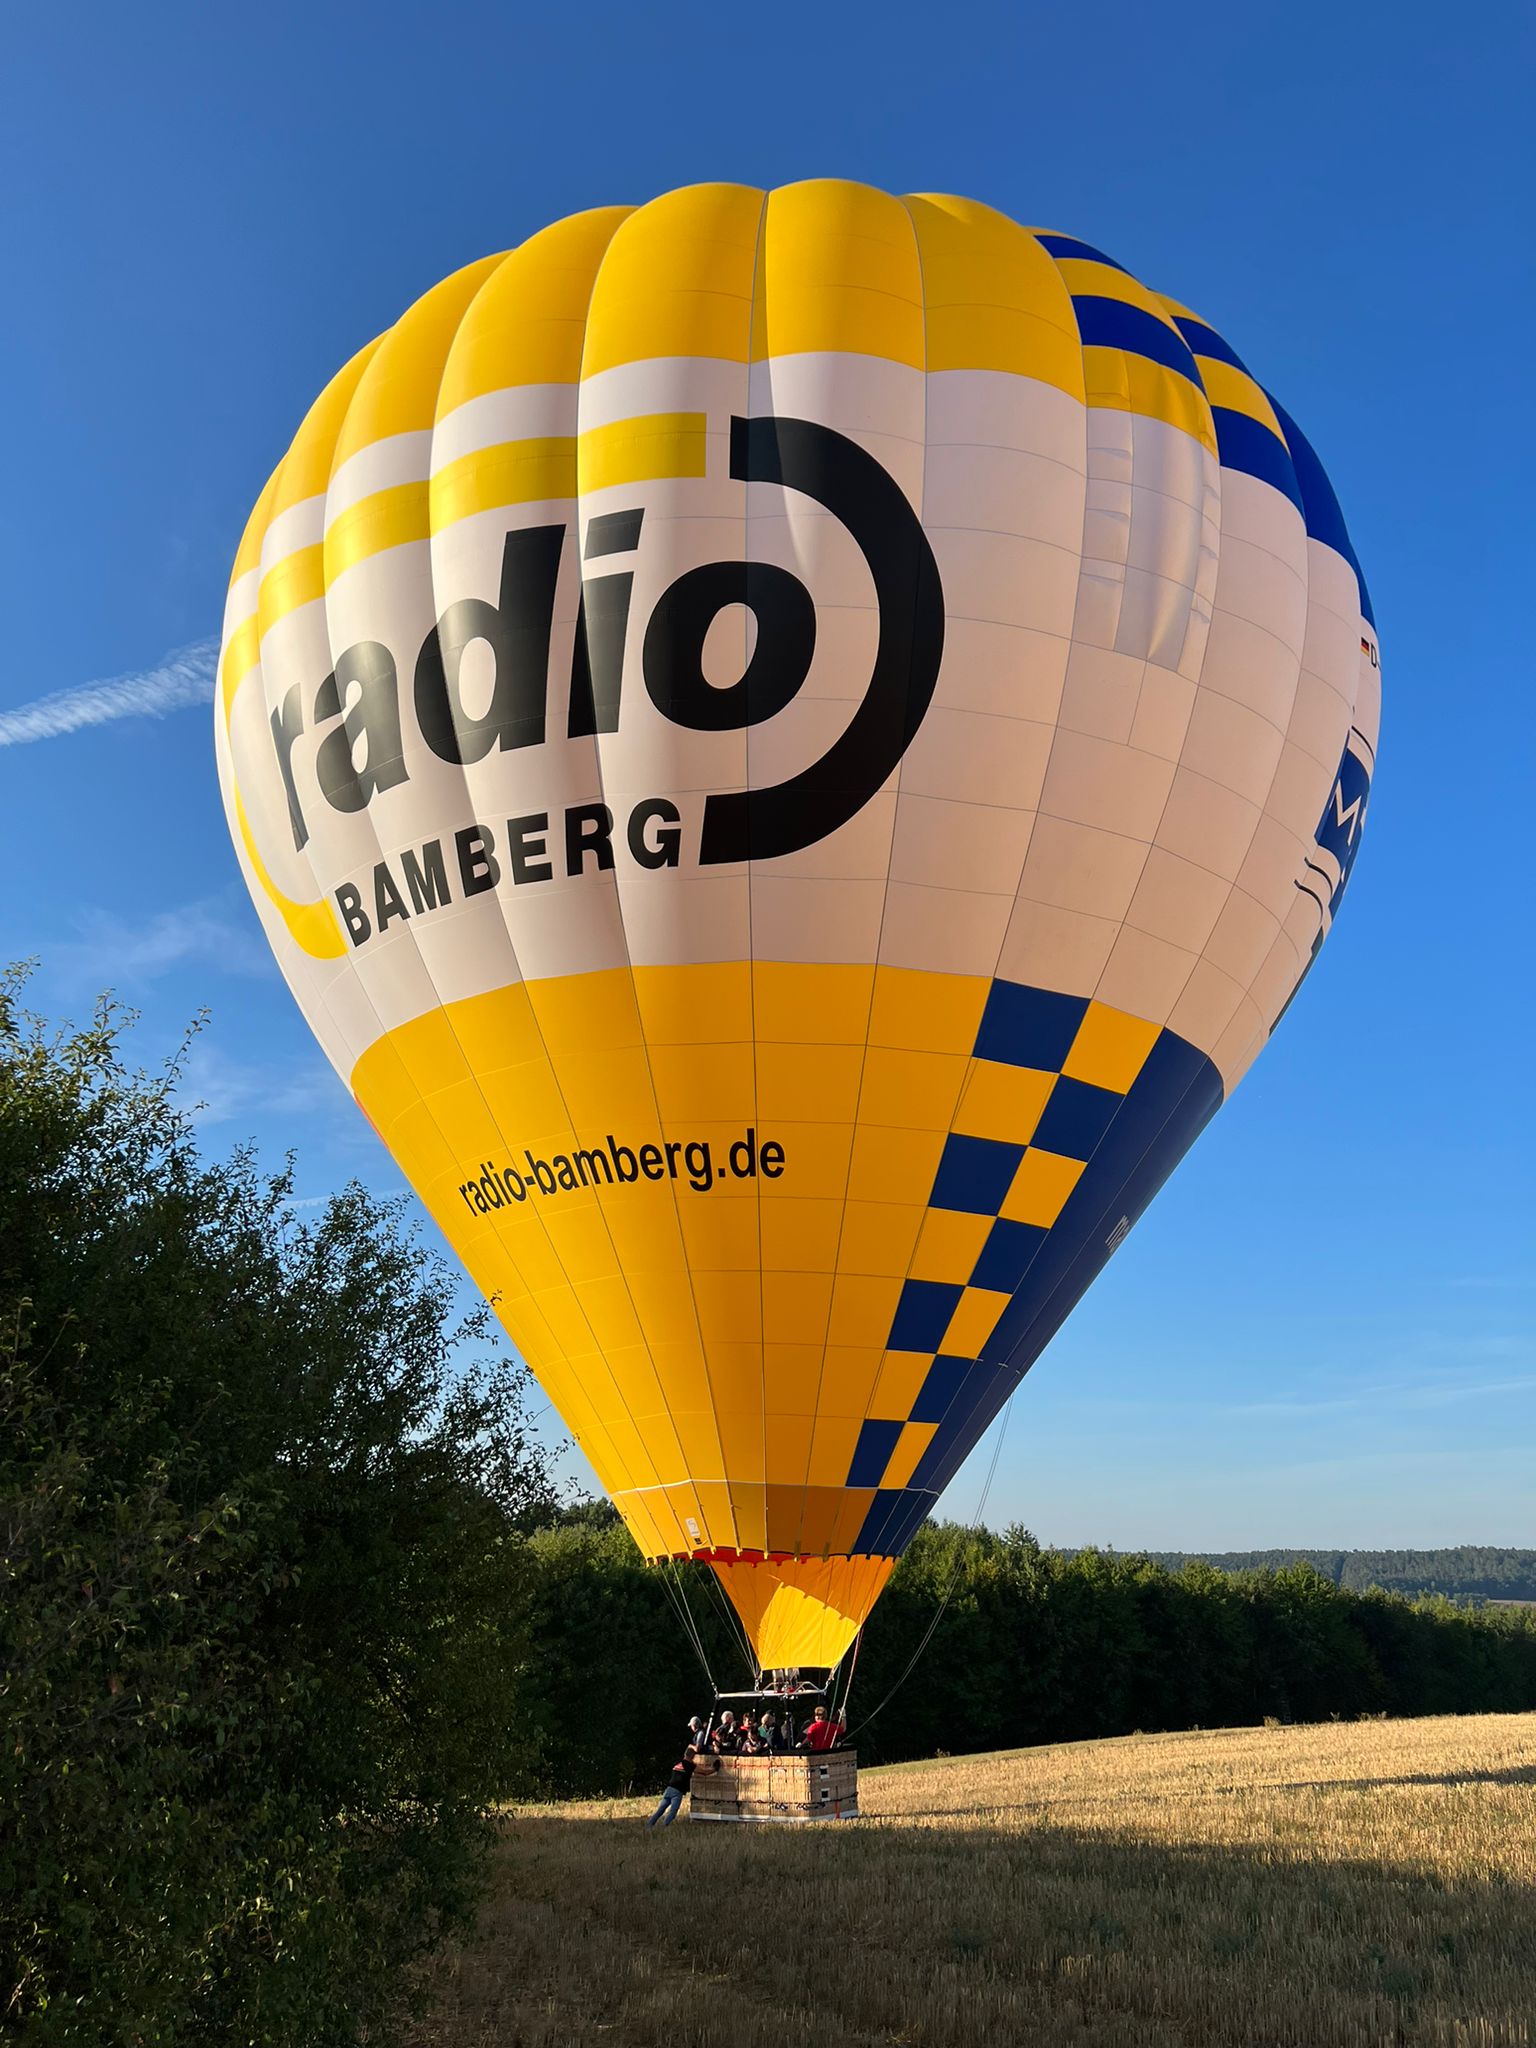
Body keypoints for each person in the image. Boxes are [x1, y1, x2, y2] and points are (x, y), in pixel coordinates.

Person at [647, 1744, 710, 1827]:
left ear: (685, 1754)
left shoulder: (678, 1764)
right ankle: (664, 1826)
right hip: (677, 1792)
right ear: (692, 1757)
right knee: (673, 1813)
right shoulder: (688, 1765)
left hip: (668, 1789)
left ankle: (649, 1825)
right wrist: (715, 1769)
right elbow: (704, 1772)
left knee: (660, 1810)